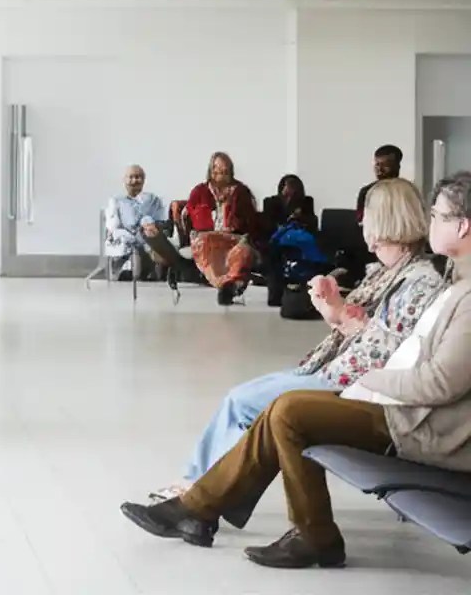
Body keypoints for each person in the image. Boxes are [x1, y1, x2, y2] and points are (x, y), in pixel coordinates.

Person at [120, 170, 471, 569]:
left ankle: (209, 508)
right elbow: (416, 352)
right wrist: (344, 320)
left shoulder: (456, 292)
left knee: (285, 410)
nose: (429, 224)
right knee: (283, 409)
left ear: (462, 226)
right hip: (397, 404)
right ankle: (206, 510)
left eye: (438, 216)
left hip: (414, 421)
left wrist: (367, 378)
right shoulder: (454, 282)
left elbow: (438, 381)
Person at [145, 178, 445, 502]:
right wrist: (334, 310)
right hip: (331, 370)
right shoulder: (385, 271)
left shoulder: (420, 280)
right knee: (241, 398)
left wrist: (345, 317)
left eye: (367, 217)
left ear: (383, 220)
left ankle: (198, 493)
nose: (362, 224)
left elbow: (393, 351)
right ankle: (203, 490)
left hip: (353, 384)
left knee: (242, 404)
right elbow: (358, 326)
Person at [144, 152, 260, 305]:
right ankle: (225, 285)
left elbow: (251, 220)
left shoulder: (241, 191)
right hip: (207, 238)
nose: (221, 172)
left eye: (225, 169)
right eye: (217, 168)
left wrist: (235, 223)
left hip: (234, 238)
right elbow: (187, 217)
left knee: (244, 251)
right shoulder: (200, 191)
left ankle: (230, 285)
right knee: (204, 244)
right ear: (211, 170)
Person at [260, 174, 325, 306]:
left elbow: (312, 222)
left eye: (293, 190)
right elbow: (267, 224)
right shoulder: (271, 202)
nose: (289, 193)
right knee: (273, 254)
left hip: (299, 235)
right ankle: (276, 293)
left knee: (309, 245)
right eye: (286, 189)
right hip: (279, 237)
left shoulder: (305, 202)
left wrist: (299, 217)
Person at [104, 165, 170, 281]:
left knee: (150, 227)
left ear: (144, 180)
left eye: (138, 177)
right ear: (124, 180)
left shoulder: (152, 199)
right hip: (128, 238)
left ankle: (155, 270)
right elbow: (113, 226)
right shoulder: (117, 201)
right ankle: (129, 271)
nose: (134, 180)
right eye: (131, 177)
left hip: (149, 238)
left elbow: (160, 221)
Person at [356, 145, 403, 223]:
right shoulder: (366, 192)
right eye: (377, 164)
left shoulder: (407, 193)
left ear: (397, 166)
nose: (380, 169)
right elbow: (361, 221)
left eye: (385, 165)